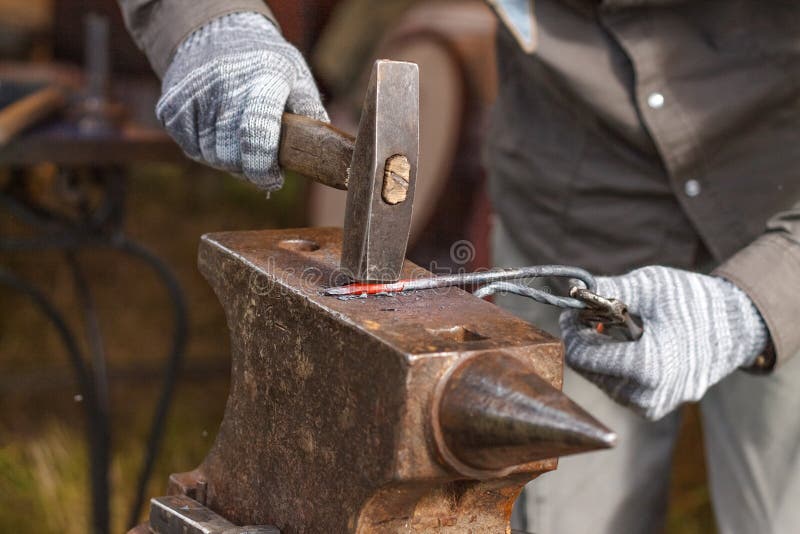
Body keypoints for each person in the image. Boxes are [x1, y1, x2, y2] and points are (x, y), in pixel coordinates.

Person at [117, 1, 800, 532]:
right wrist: (209, 25)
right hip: (576, 171)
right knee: (554, 506)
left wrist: (758, 305)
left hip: (783, 176)